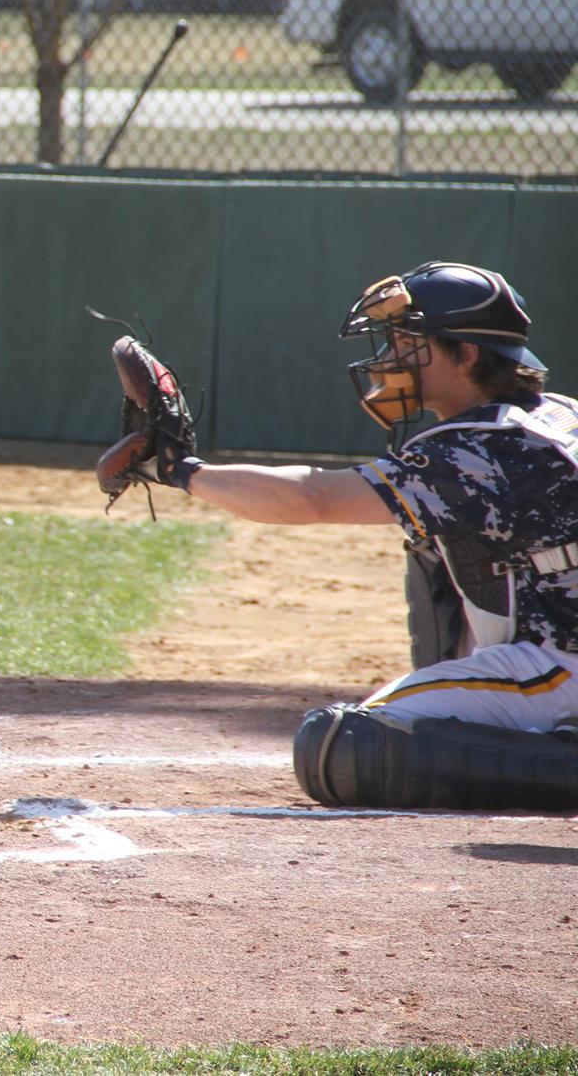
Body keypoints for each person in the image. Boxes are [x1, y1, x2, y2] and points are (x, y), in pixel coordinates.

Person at [126, 261, 578, 811]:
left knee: (345, 747)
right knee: (433, 552)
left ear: (467, 355)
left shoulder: (477, 447)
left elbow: (309, 498)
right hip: (558, 652)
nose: (390, 359)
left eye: (410, 343)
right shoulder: (556, 418)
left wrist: (180, 470)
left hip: (559, 664)